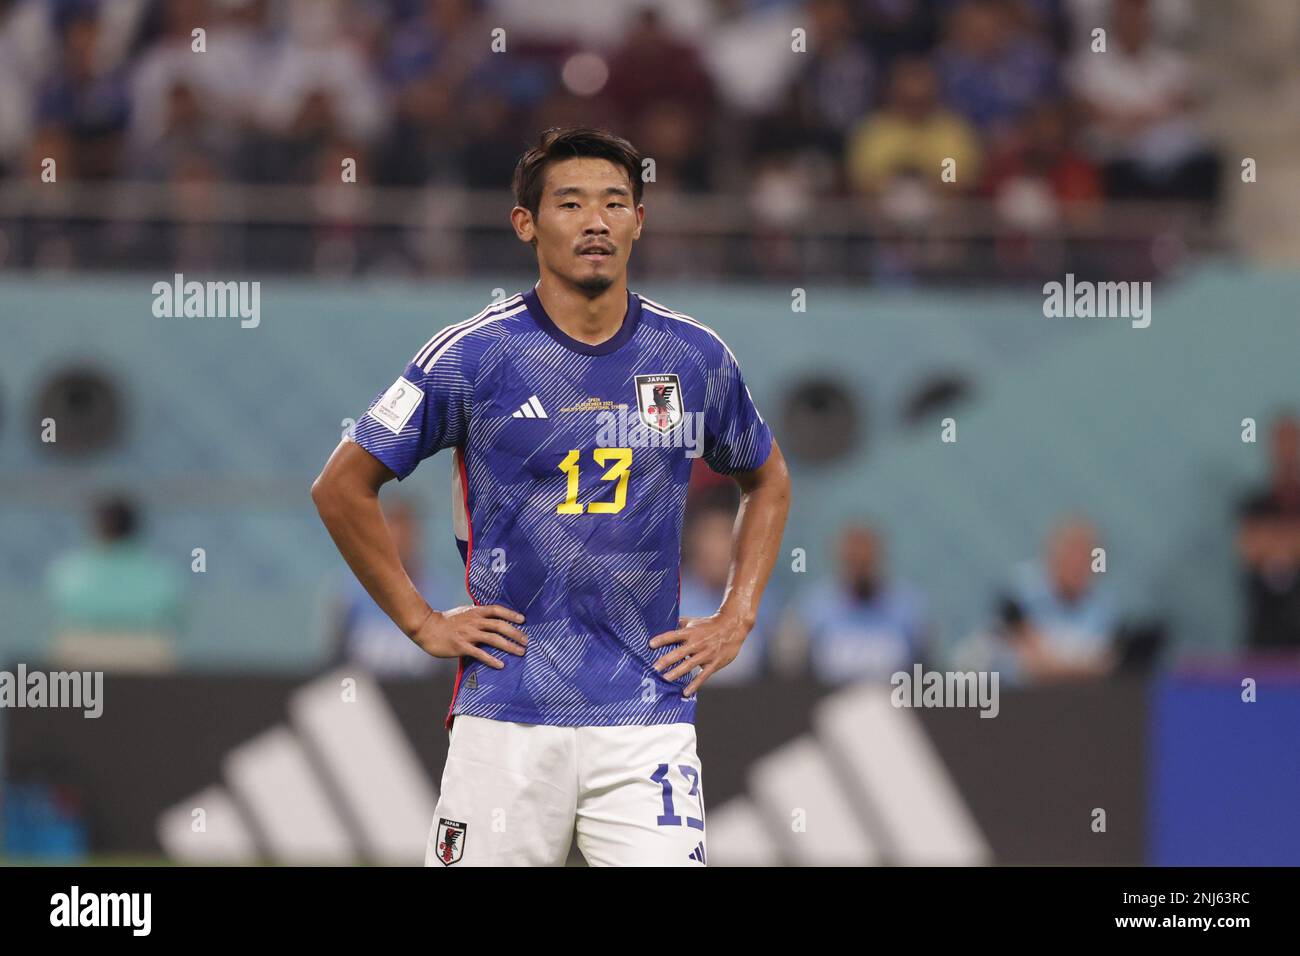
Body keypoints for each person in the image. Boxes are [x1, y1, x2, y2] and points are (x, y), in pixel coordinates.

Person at [311, 127, 791, 867]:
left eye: (615, 203)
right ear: (526, 223)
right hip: (507, 718)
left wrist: (738, 614)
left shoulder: (692, 357)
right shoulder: (474, 356)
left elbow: (767, 477)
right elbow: (342, 486)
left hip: (645, 719)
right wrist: (422, 621)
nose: (596, 221)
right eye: (570, 203)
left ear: (639, 220)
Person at [45, 494, 184, 671]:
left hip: (80, 652)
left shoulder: (69, 570)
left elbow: (61, 605)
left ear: (96, 527)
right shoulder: (163, 572)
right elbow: (176, 617)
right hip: (145, 653)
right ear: (136, 528)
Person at [776, 522, 928, 684]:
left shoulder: (907, 609)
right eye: (855, 560)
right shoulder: (815, 608)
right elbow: (795, 671)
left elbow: (922, 666)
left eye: (866, 561)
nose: (860, 567)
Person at [321, 496, 457, 677]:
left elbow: (447, 668)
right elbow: (334, 661)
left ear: (416, 535)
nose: (398, 539)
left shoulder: (440, 594)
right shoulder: (349, 593)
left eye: (405, 530)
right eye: (391, 529)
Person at [1236, 414, 1300, 650]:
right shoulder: (1254, 504)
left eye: (1293, 441)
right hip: (1264, 632)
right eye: (1281, 442)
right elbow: (1249, 549)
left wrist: (1271, 539)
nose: (1287, 451)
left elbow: (1260, 543)